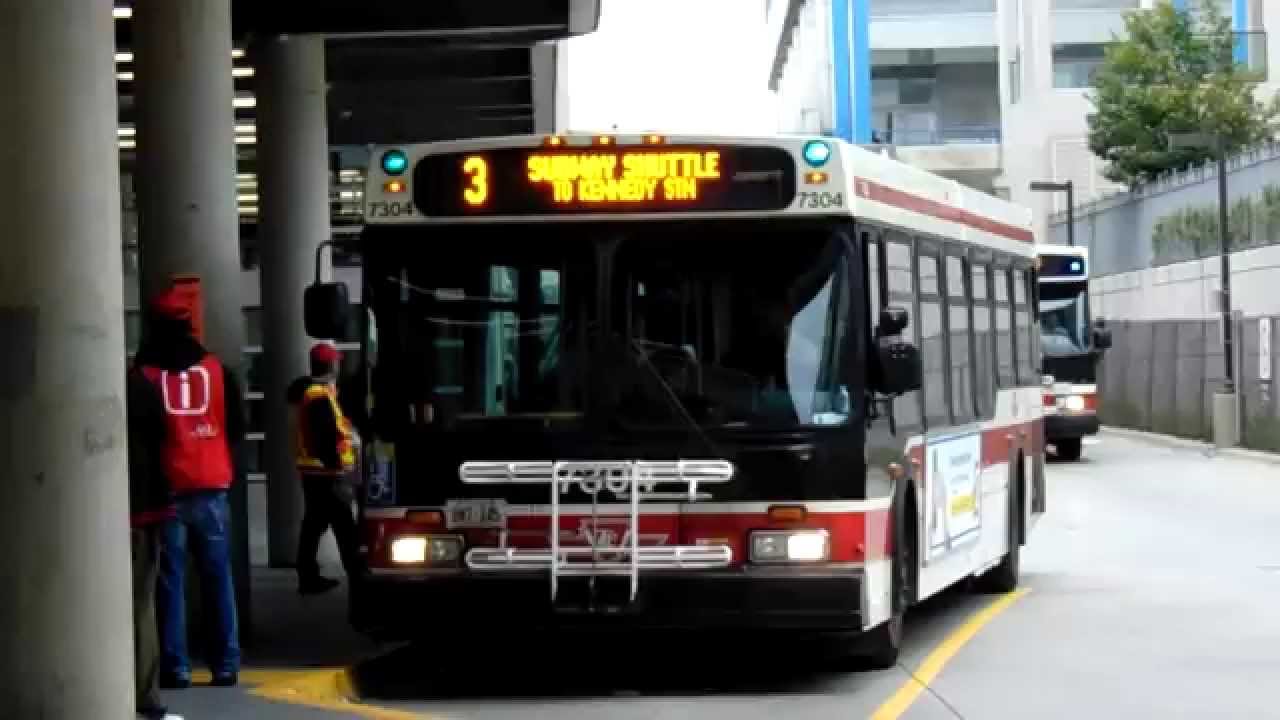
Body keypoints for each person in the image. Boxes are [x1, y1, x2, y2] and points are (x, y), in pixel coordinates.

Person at [135, 288, 245, 689]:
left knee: (170, 581)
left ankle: (175, 667)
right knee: (218, 576)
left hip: (168, 488)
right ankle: (226, 664)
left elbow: (142, 438)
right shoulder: (217, 369)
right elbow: (236, 427)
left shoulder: (145, 374)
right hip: (212, 483)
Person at [126, 367, 184, 720]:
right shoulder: (142, 386)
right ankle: (146, 698)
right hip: (145, 510)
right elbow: (166, 439)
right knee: (141, 604)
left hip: (117, 511)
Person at [292, 343, 361, 595]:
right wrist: (338, 465)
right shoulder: (319, 396)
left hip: (314, 472)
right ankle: (357, 574)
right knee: (344, 526)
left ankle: (308, 577)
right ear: (331, 365)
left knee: (314, 525)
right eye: (336, 362)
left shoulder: (314, 392)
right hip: (327, 474)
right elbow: (325, 435)